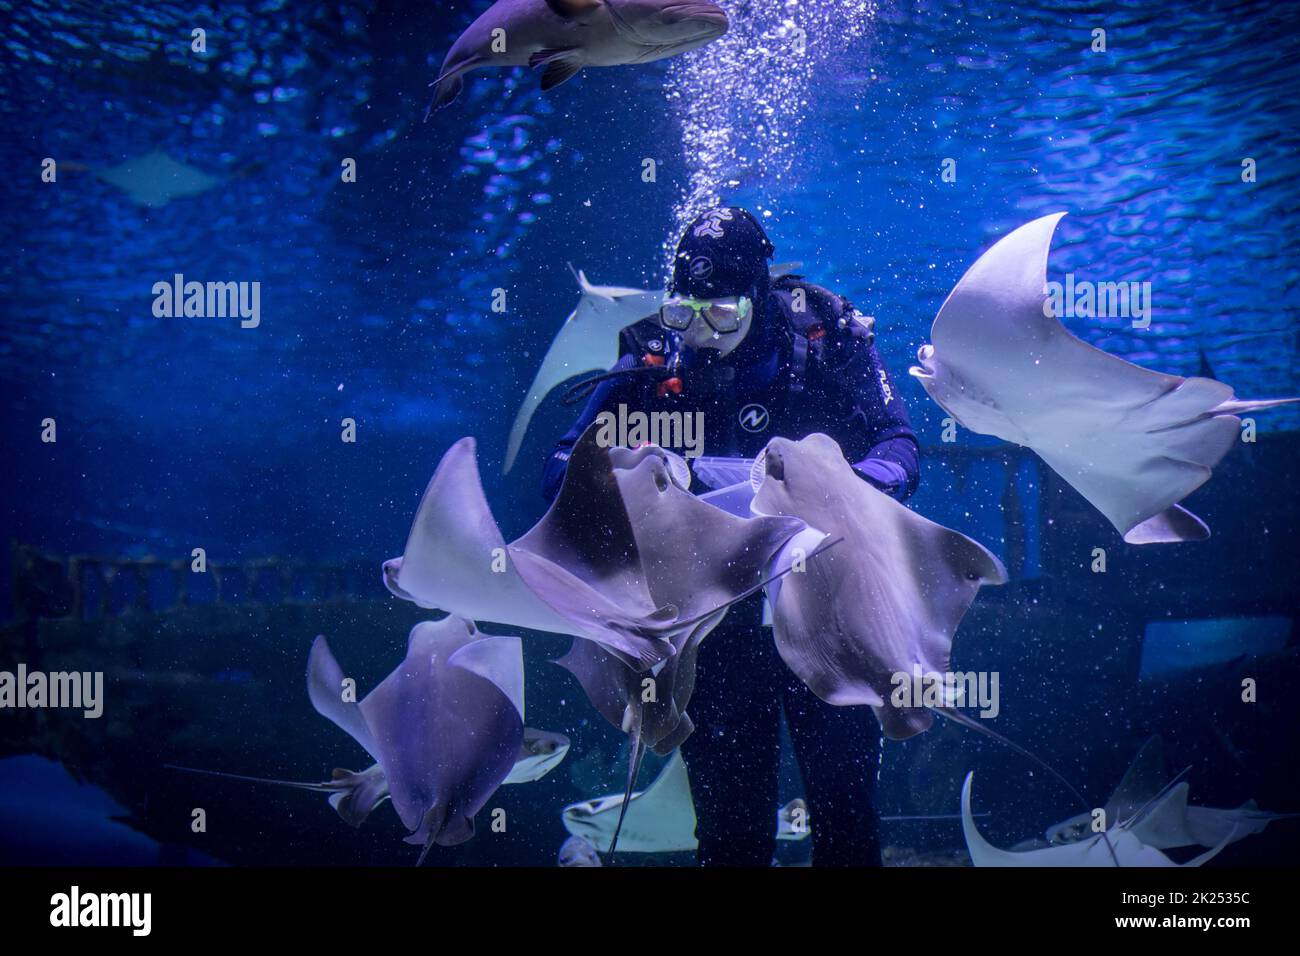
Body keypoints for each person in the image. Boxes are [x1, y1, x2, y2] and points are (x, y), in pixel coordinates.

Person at [541, 206, 920, 866]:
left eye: (722, 314)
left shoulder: (826, 334)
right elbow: (562, 469)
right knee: (729, 832)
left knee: (846, 815)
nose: (702, 334)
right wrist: (628, 479)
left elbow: (901, 443)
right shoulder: (654, 354)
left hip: (829, 611)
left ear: (760, 299)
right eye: (685, 313)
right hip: (710, 627)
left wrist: (847, 486)